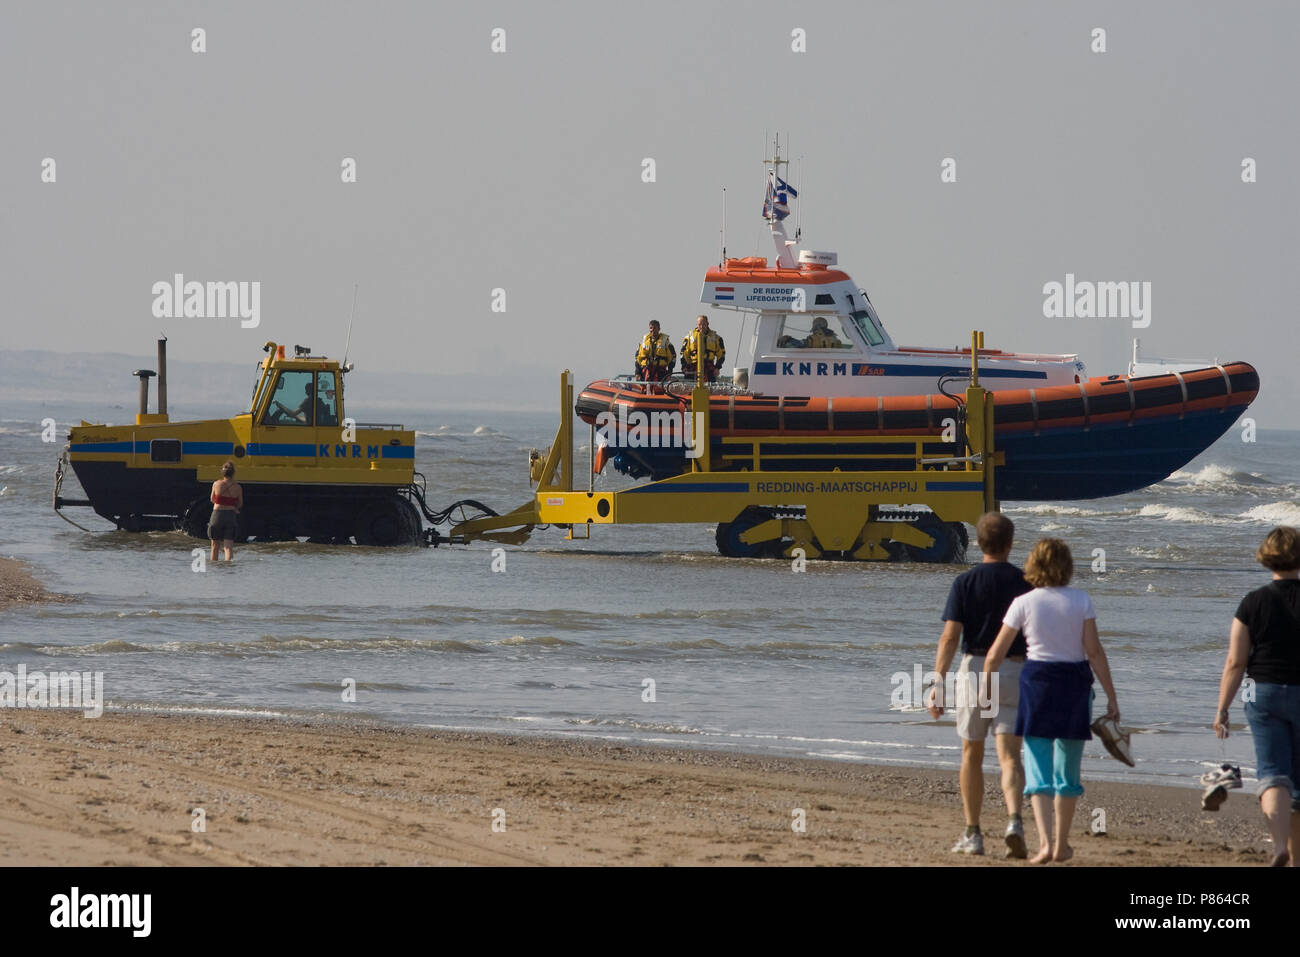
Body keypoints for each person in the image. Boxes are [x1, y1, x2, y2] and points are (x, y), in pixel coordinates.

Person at [985, 537, 1119, 864]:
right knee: (1068, 771)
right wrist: (1112, 698)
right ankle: (1061, 845)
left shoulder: (1023, 602)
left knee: (1037, 765)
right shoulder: (1081, 600)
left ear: (1033, 565)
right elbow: (1094, 652)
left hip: (1037, 684)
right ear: (1067, 565)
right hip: (1073, 684)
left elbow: (995, 655)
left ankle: (1044, 844)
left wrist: (985, 692)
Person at [930, 512, 1032, 857]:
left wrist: (937, 682)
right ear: (1011, 543)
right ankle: (1014, 819)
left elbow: (949, 637)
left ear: (978, 542)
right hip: (1016, 671)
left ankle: (973, 833)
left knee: (971, 753)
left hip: (975, 669)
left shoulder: (965, 582)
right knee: (1011, 757)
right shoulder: (1026, 582)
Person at [1214, 526, 1300, 867]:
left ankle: (1280, 846)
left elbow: (1236, 662)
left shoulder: (1253, 601)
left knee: (1273, 773)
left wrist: (1222, 709)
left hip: (1261, 693)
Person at [208, 461, 243, 562]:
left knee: (215, 546)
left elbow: (212, 499)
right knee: (228, 547)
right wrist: (232, 506)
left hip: (217, 515)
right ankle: (228, 569)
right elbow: (240, 504)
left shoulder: (216, 484)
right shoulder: (238, 487)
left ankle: (215, 569)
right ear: (233, 473)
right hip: (230, 515)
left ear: (222, 472)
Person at [680, 315, 725, 382]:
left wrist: (717, 367)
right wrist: (684, 366)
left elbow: (721, 354)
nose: (701, 327)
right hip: (693, 366)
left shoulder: (716, 338)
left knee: (710, 388)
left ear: (707, 324)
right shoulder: (689, 337)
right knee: (688, 388)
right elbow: (683, 353)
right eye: (699, 324)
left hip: (709, 367)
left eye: (703, 324)